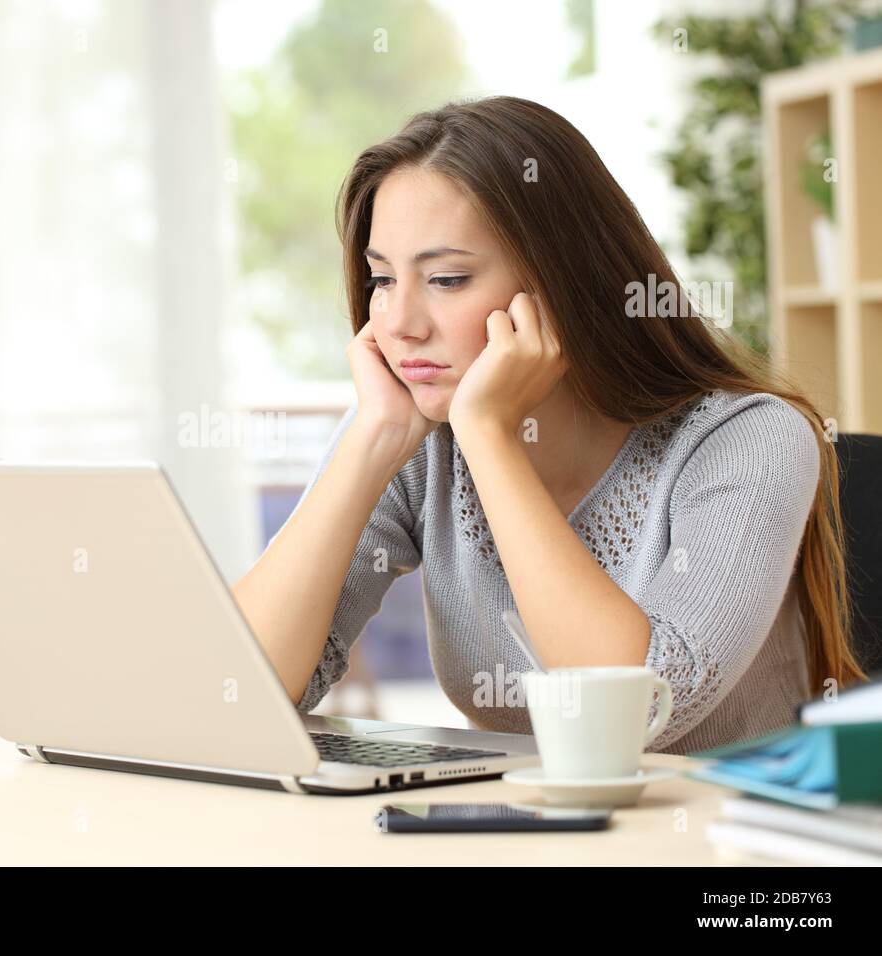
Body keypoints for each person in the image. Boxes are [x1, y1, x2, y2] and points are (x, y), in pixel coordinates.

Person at [231, 96, 866, 754]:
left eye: (447, 279)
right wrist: (371, 444)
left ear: (564, 280)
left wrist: (490, 436)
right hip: (530, 831)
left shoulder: (749, 441)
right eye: (382, 279)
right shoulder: (415, 439)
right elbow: (235, 692)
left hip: (723, 843)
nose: (397, 323)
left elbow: (633, 715)